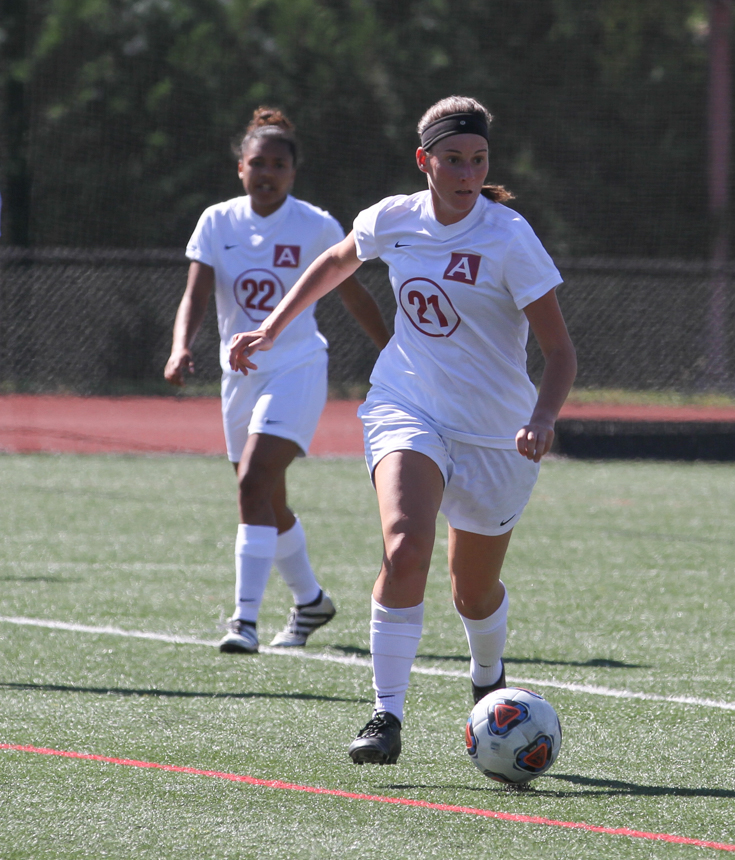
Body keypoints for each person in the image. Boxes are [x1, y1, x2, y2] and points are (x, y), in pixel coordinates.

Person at [229, 96, 577, 764]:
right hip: (407, 405)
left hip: (497, 433)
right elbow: (336, 262)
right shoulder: (394, 218)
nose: (467, 171)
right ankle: (386, 716)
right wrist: (272, 328)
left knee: (472, 593)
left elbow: (560, 352)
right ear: (425, 161)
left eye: (478, 160)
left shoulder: (508, 235)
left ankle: (487, 680)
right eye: (452, 159)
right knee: (406, 544)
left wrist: (542, 416)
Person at [167, 107, 389, 654]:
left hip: (296, 369)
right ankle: (311, 600)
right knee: (265, 495)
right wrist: (180, 346)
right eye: (256, 163)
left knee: (251, 483)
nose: (267, 173)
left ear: (294, 172)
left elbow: (352, 292)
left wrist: (392, 348)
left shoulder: (315, 224)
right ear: (239, 168)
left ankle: (243, 621)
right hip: (237, 374)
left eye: (278, 165)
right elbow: (196, 293)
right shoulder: (217, 221)